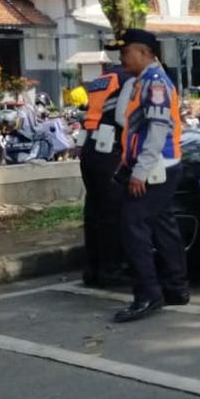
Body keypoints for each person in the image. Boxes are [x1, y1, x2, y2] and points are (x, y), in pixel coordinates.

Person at [113, 29, 189, 323]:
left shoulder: (154, 83)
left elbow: (156, 130)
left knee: (134, 227)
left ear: (144, 53)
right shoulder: (145, 81)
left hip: (157, 167)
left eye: (126, 52)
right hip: (162, 166)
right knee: (164, 225)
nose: (121, 58)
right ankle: (176, 288)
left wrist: (140, 172)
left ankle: (148, 295)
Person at [78, 56, 130, 288]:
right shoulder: (128, 79)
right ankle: (111, 271)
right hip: (109, 149)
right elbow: (122, 117)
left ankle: (92, 269)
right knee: (112, 214)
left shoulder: (104, 77)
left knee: (93, 212)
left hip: (89, 146)